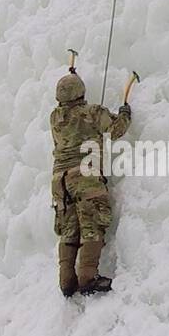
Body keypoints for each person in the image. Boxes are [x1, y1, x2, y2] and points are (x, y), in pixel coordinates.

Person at [50, 67, 132, 296]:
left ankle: (66, 282)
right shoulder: (92, 112)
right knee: (91, 224)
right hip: (85, 175)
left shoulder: (54, 117)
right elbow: (117, 130)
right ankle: (87, 277)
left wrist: (71, 77)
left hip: (60, 182)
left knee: (69, 229)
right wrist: (125, 112)